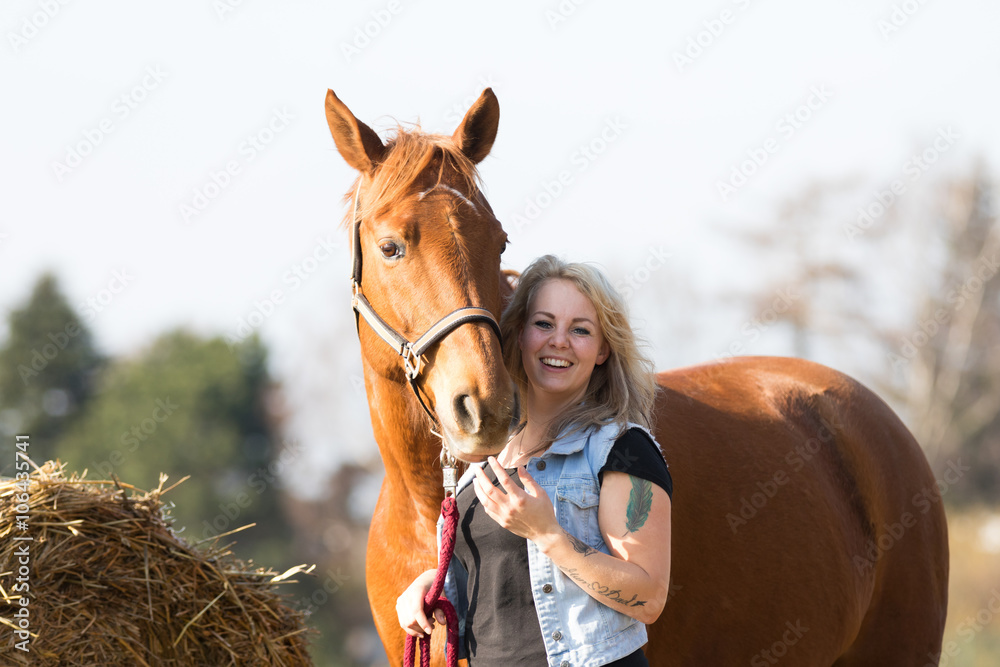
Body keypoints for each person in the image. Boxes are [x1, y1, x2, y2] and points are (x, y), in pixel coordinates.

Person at [397, 255, 673, 666]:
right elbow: (500, 582)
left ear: (602, 351)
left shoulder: (622, 449)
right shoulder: (482, 463)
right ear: (519, 334)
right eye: (544, 324)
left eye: (580, 330)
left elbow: (648, 598)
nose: (559, 341)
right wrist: (431, 586)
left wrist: (548, 536)